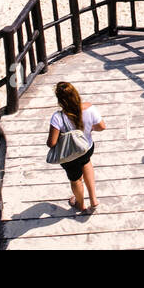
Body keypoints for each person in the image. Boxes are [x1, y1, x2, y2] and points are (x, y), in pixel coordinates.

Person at [47, 81, 104, 213]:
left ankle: (80, 204)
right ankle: (93, 200)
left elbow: (52, 143)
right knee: (86, 163)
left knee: (76, 179)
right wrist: (89, 129)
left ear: (60, 101)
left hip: (69, 155)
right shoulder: (89, 108)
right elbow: (102, 126)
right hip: (86, 148)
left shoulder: (58, 117)